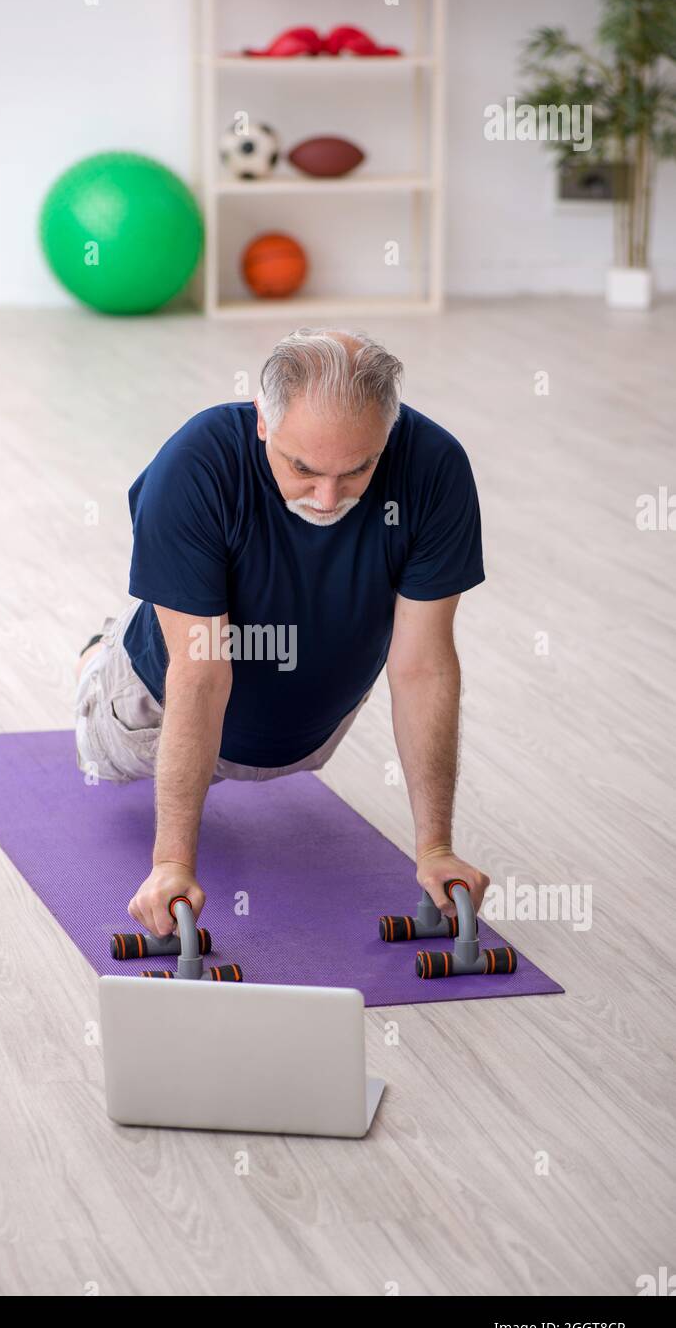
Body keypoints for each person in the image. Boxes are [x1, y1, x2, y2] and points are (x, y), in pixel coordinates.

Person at [75, 327, 489, 938]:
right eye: (304, 469)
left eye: (358, 470)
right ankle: (99, 651)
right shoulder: (195, 464)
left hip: (307, 733)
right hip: (155, 711)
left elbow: (423, 665)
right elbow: (201, 670)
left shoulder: (435, 467)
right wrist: (171, 863)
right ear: (262, 420)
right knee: (116, 714)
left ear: (389, 432)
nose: (327, 498)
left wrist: (435, 849)